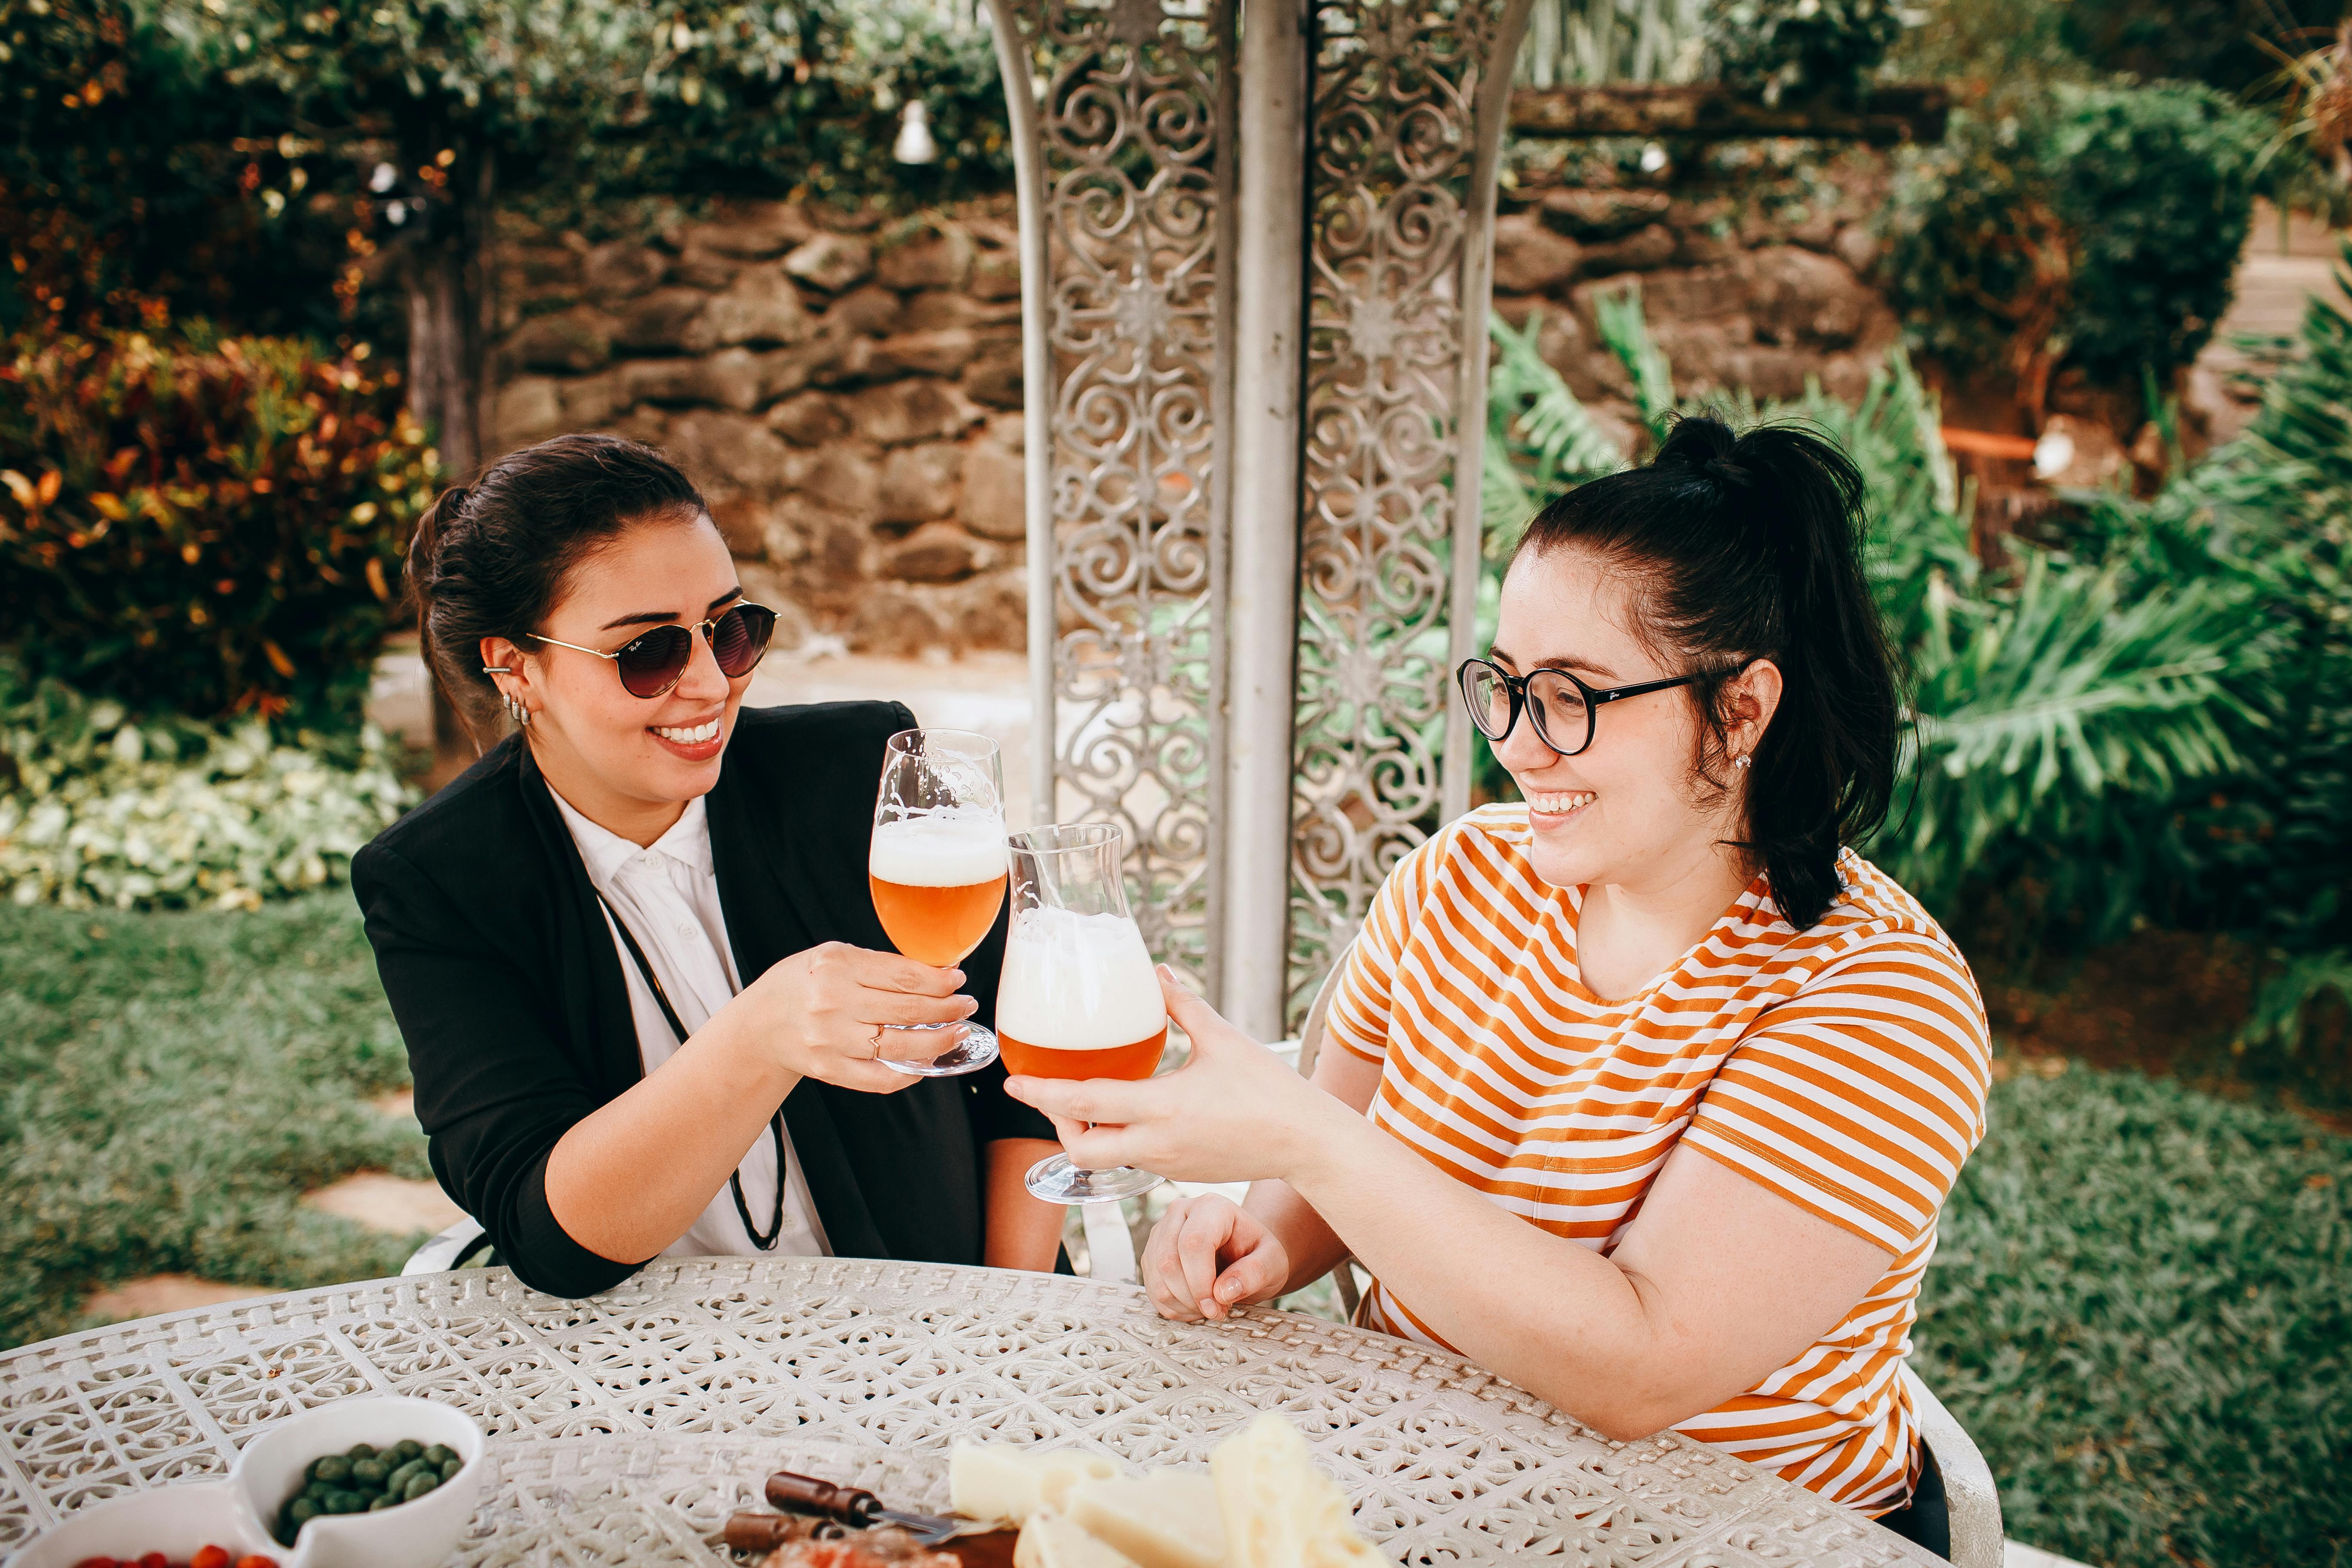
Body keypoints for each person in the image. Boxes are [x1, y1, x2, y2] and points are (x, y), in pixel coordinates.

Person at [1005, 415, 1991, 1519]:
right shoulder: (1464, 878)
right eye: (1509, 685)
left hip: (1733, 1533)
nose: (1518, 744)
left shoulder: (1879, 1000)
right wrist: (1258, 1242)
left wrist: (1298, 1135)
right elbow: (1330, 1175)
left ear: (1741, 710)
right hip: (1417, 1488)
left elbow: (1643, 1368)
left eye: (1573, 698)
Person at [352, 434, 1063, 1297]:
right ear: (516, 668)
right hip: (656, 1376)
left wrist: (1006, 1316)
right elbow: (549, 1241)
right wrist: (760, 1035)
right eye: (648, 652)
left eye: (729, 631)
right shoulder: (439, 880)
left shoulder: (859, 769)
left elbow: (1025, 1073)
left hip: (942, 1325)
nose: (710, 683)